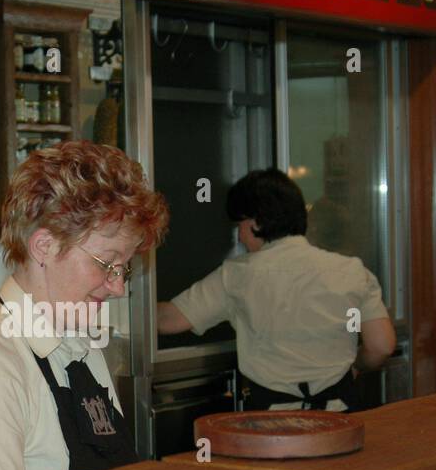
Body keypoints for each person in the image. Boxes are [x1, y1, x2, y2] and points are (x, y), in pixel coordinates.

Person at [0, 141, 169, 470]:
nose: (118, 287)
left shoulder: (82, 350)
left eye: (124, 267)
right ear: (44, 247)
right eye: (107, 263)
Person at [156, 168, 395, 412]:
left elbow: (168, 320)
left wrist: (125, 299)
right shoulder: (352, 271)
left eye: (241, 224)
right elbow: (381, 346)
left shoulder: (237, 275)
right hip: (341, 416)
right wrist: (355, 366)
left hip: (270, 424)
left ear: (256, 222)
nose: (239, 236)